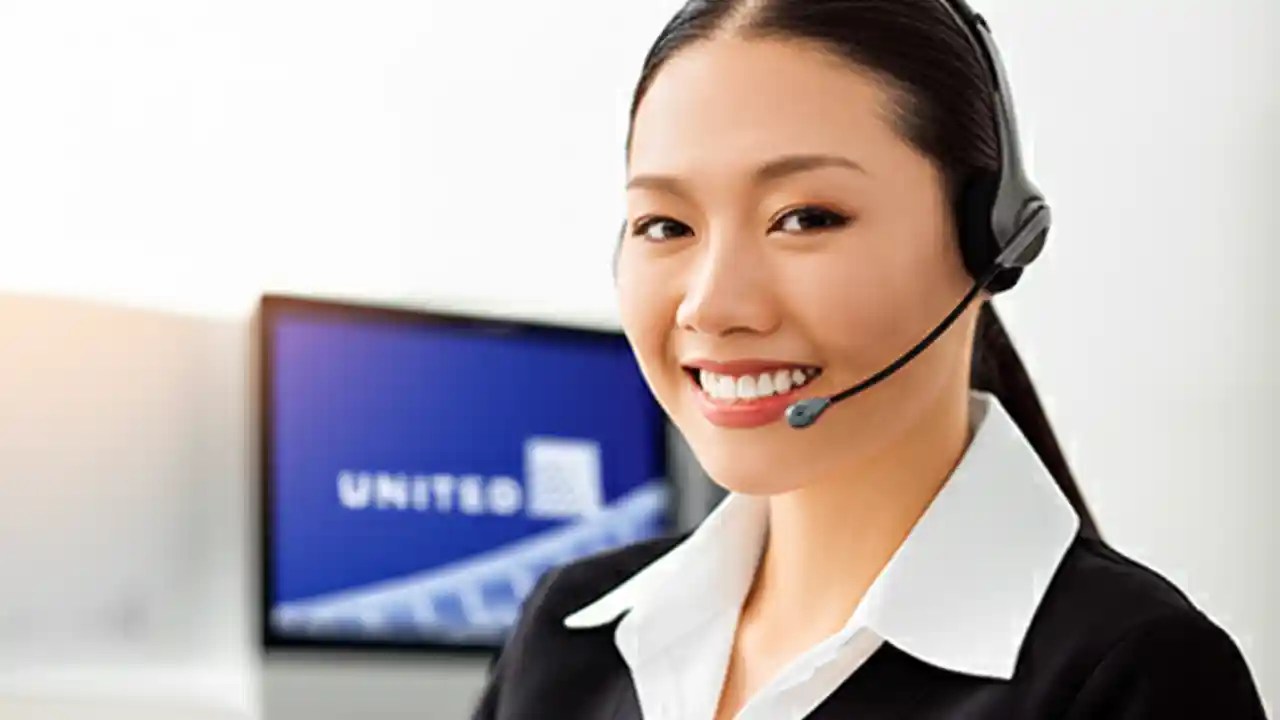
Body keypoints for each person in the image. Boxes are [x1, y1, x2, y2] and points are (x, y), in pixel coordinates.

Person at [472, 0, 1269, 718]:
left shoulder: (1131, 676)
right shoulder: (568, 634)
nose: (712, 305)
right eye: (664, 225)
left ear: (991, 240)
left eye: (805, 217)